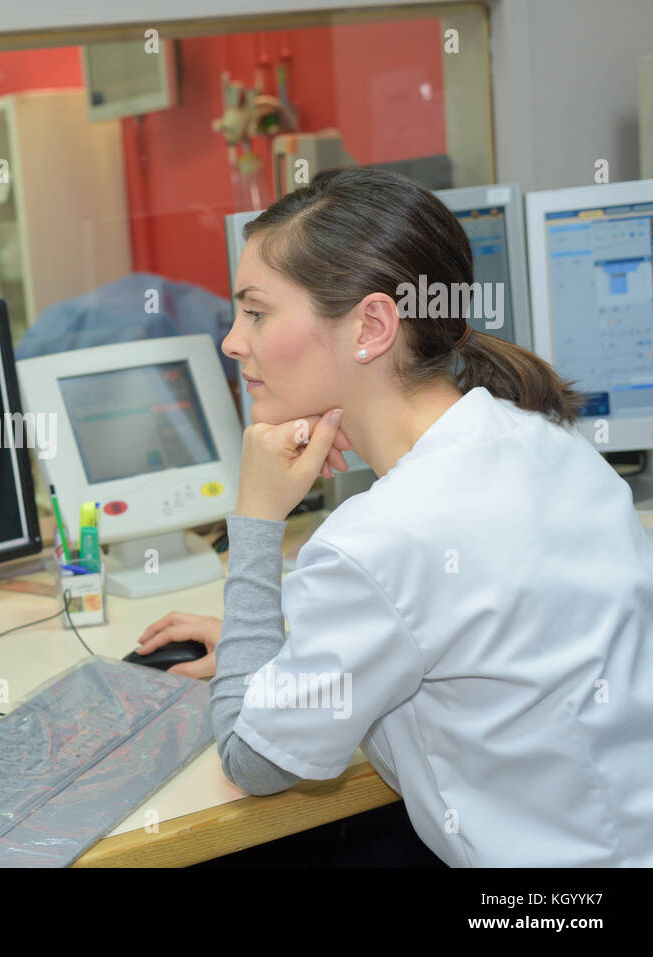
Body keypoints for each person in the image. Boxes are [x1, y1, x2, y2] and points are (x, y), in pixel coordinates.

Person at [134, 167, 653, 866]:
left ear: (372, 326)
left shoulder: (381, 539)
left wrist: (256, 517)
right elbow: (447, 626)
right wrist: (279, 649)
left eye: (255, 312)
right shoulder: (551, 443)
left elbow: (252, 758)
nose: (232, 341)